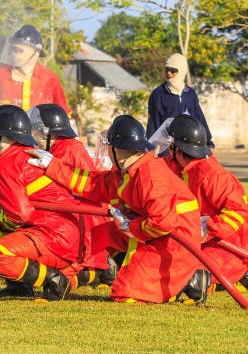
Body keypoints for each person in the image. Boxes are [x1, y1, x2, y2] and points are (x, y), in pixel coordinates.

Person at [26, 115, 206, 304]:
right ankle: (119, 273)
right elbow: (92, 184)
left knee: (125, 295)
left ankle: (189, 280)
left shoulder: (149, 176)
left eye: (109, 146)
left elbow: (164, 222)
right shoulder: (129, 171)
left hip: (174, 242)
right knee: (104, 234)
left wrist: (130, 226)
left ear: (118, 149)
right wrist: (52, 165)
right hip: (156, 233)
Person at [0, 105, 84, 301]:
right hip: (59, 235)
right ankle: (18, 286)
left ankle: (55, 280)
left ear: (1, 136)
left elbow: (19, 216)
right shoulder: (18, 156)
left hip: (54, 238)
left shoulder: (7, 163)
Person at [27, 104, 115, 288]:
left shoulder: (66, 149)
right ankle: (102, 270)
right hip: (79, 218)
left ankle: (101, 272)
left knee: (73, 271)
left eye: (37, 133)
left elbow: (76, 189)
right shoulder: (61, 147)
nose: (34, 138)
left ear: (50, 133)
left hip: (83, 220)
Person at [162, 114, 248, 289]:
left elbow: (239, 211)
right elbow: (154, 168)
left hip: (230, 247)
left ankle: (237, 275)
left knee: (187, 275)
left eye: (171, 147)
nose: (168, 151)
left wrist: (205, 227)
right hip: (198, 243)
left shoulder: (212, 176)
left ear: (178, 149)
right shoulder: (180, 167)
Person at [0, 24, 69, 125]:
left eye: (20, 51)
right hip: (4, 137)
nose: (15, 54)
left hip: (39, 138)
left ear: (35, 53)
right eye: (14, 50)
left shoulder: (49, 79)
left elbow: (63, 113)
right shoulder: (0, 75)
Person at [146, 52, 214, 150]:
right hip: (166, 149)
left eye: (173, 70)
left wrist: (208, 142)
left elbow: (199, 119)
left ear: (182, 71)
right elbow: (153, 122)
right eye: (167, 70)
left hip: (189, 148)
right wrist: (151, 148)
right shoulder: (158, 94)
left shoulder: (190, 94)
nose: (169, 73)